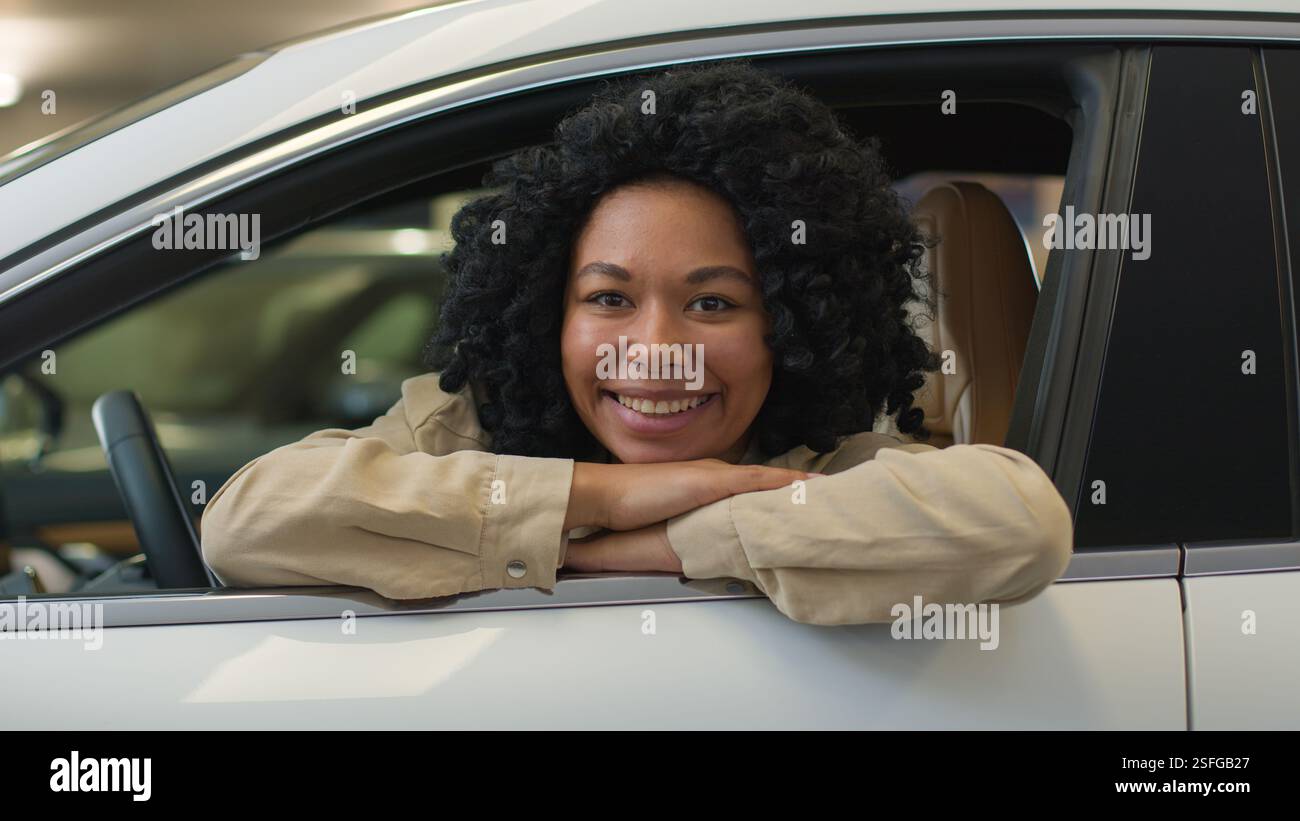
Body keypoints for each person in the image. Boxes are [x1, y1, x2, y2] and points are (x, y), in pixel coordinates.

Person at [199, 60, 1073, 626]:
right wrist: (602, 496)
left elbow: (1021, 526)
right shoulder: (461, 429)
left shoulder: (825, 465)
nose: (656, 350)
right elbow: (247, 522)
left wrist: (664, 537)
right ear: (552, 314)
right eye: (610, 296)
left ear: (792, 328)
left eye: (713, 304)